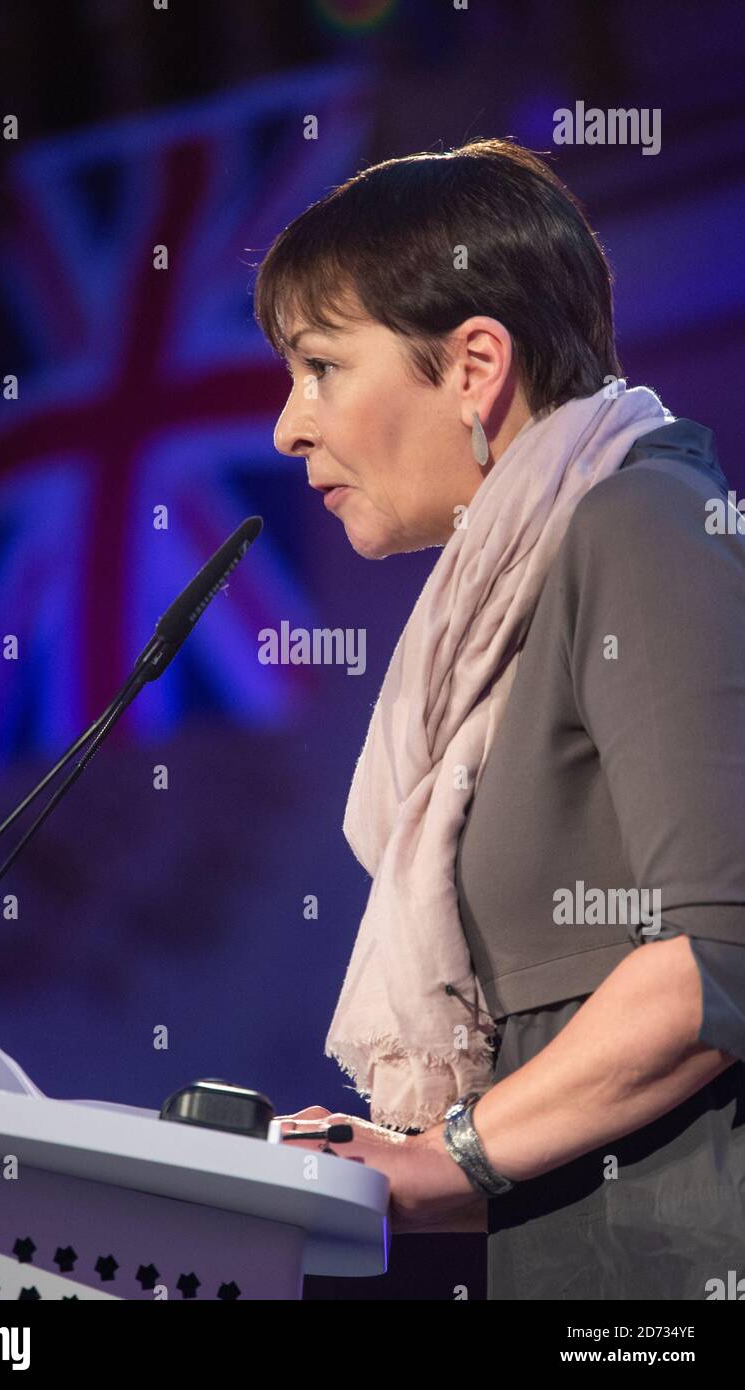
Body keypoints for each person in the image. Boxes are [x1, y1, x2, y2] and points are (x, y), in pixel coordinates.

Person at [252, 139, 745, 1300]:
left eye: (319, 366)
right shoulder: (498, 613)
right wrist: (370, 1167)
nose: (286, 426)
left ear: (473, 364)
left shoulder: (642, 519)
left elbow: (717, 952)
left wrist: (442, 1156)